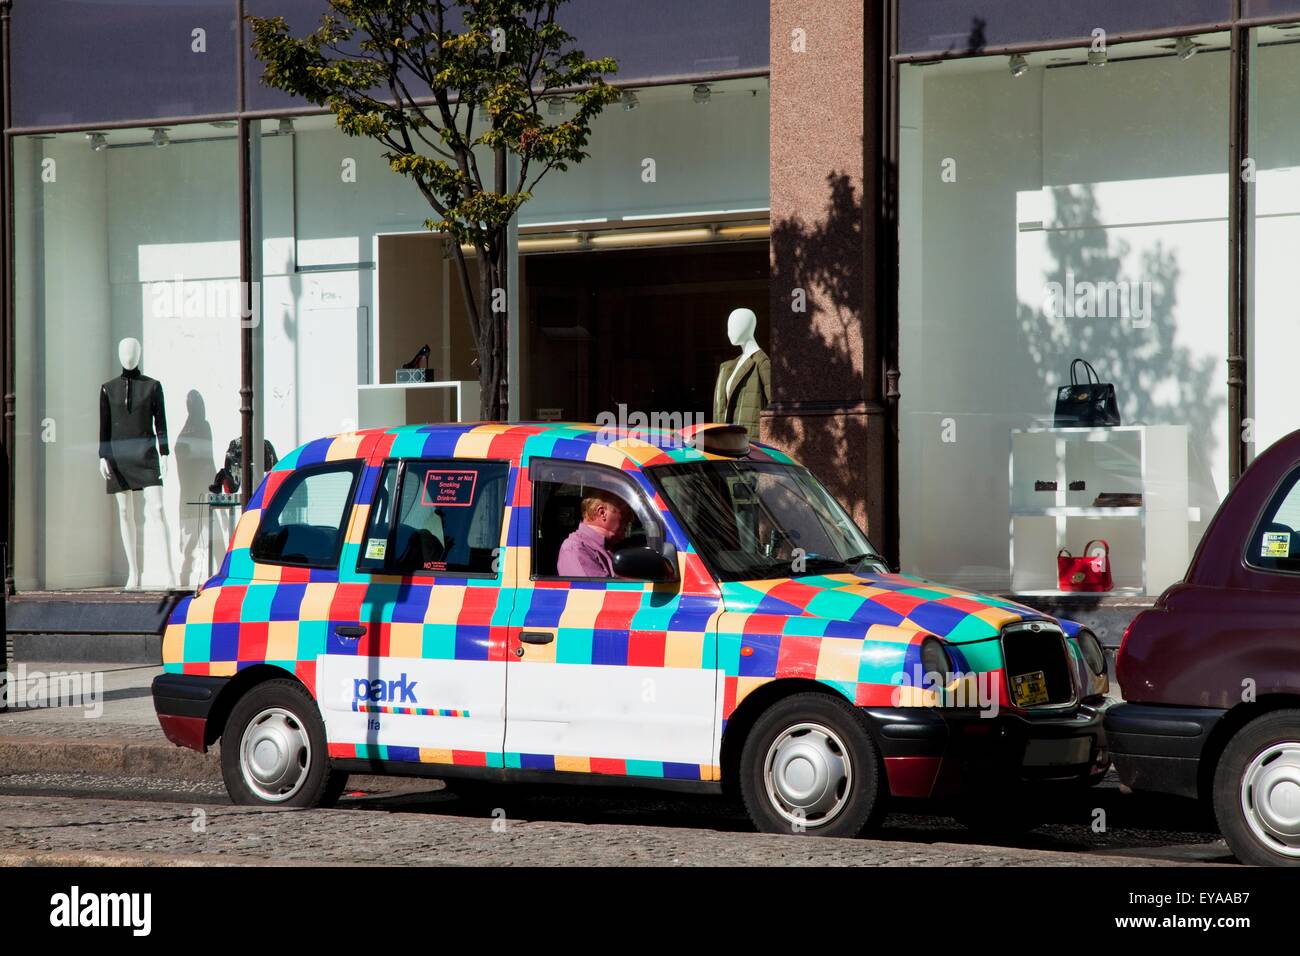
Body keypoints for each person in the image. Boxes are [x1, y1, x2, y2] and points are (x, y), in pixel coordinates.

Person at [556, 488, 632, 578]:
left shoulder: (612, 546)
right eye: (625, 512)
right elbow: (598, 591)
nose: (631, 518)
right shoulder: (575, 548)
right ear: (602, 513)